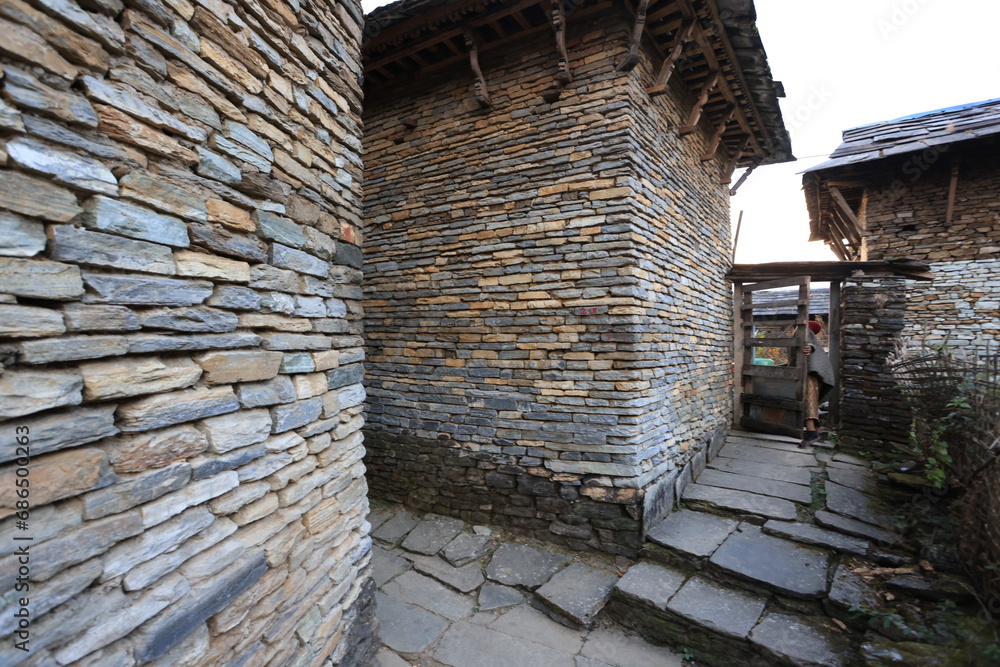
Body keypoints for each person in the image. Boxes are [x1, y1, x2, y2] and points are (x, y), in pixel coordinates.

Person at [801, 320, 835, 447]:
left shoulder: (806, 333)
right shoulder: (805, 335)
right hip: (814, 374)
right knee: (812, 400)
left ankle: (811, 432)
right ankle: (818, 431)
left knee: (808, 398)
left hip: (811, 374)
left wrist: (810, 348)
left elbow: (809, 345)